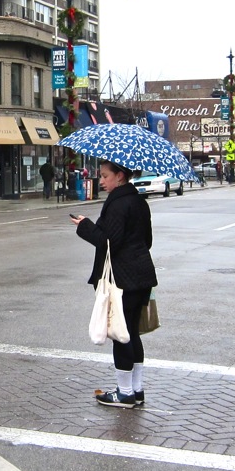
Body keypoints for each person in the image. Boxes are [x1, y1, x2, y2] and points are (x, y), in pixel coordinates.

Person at [69, 160, 157, 408]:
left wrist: (85, 226)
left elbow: (108, 242)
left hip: (123, 279)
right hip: (142, 276)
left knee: (121, 335)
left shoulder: (119, 204)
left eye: (106, 176)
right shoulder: (139, 201)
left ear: (120, 176)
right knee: (132, 333)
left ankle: (125, 393)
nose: (102, 180)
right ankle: (136, 390)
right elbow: (146, 241)